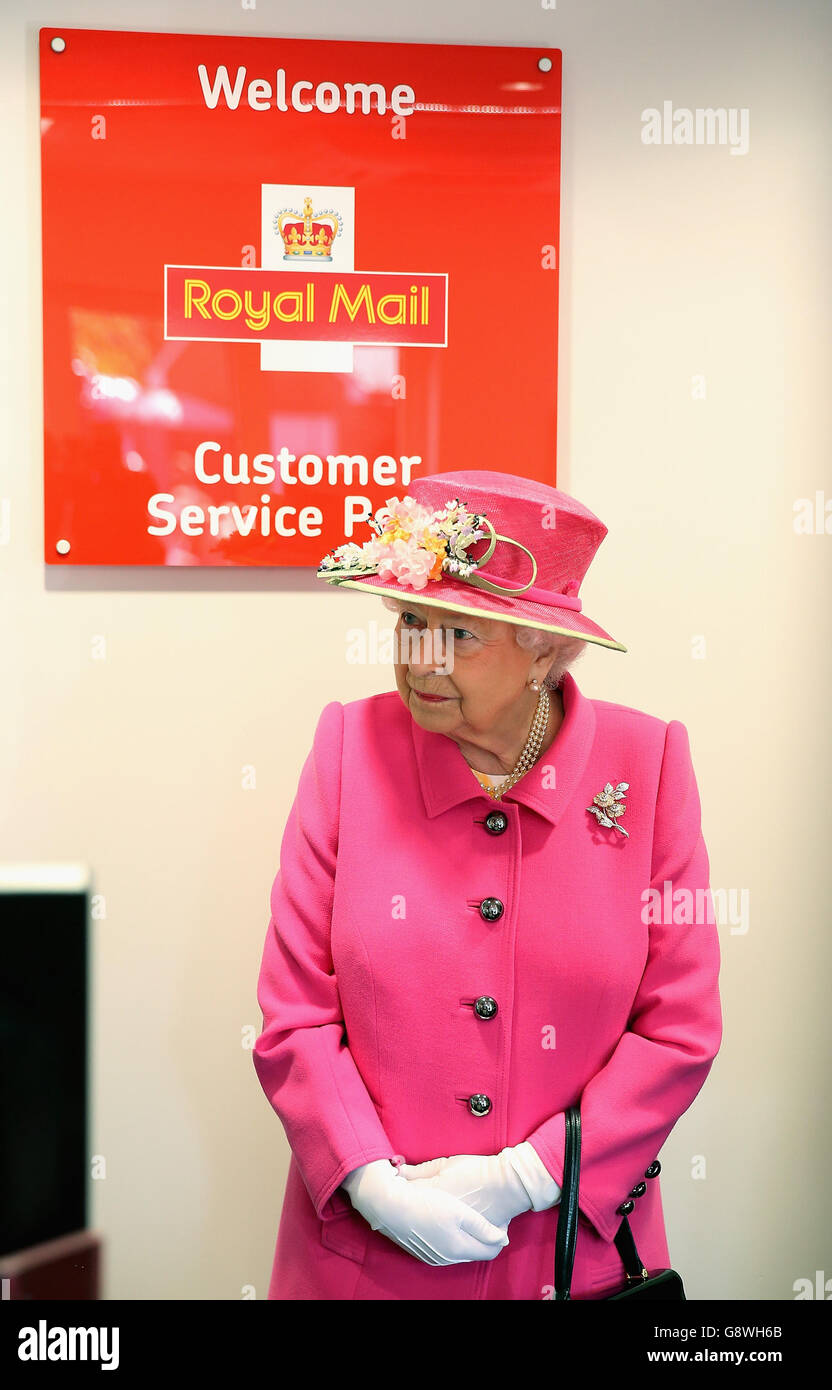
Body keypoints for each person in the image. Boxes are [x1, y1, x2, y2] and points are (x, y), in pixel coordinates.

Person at [252, 470, 723, 1300]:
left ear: (547, 643)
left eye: (459, 634)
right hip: (365, 1259)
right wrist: (369, 1181)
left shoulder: (646, 768)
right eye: (408, 621)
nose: (418, 657)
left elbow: (679, 1029)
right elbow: (296, 1013)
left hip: (570, 1252)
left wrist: (528, 1177)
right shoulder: (347, 748)